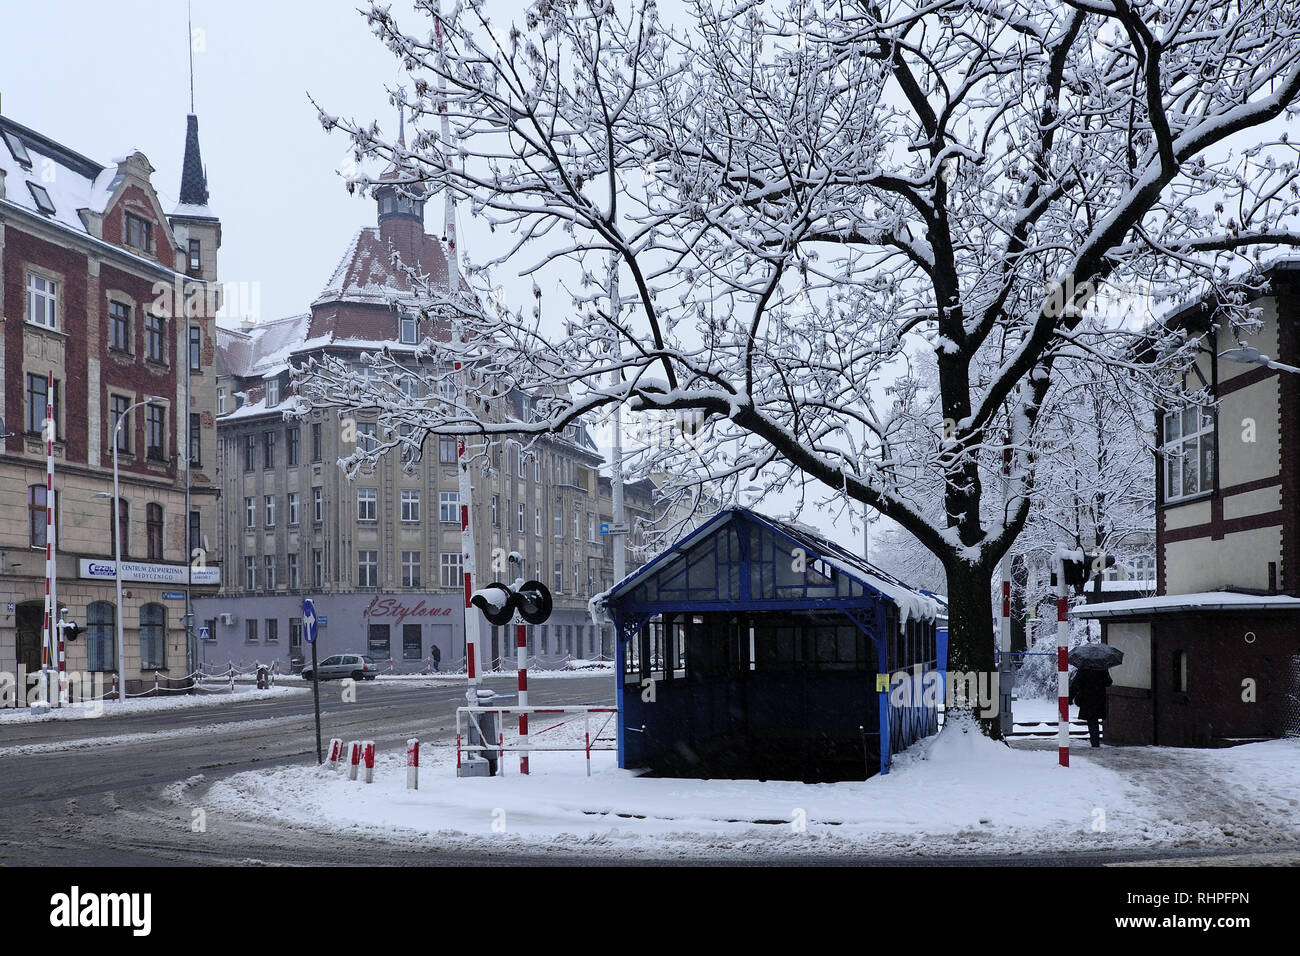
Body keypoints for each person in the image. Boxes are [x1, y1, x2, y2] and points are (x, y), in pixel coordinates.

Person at [1069, 667, 1112, 747]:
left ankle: (1095, 742)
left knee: (1091, 720)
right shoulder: (1102, 668)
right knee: (1094, 719)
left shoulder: (1084, 668)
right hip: (1099, 698)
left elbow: (1076, 684)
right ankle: (1095, 741)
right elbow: (1108, 682)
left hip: (1087, 698)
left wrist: (1070, 697)